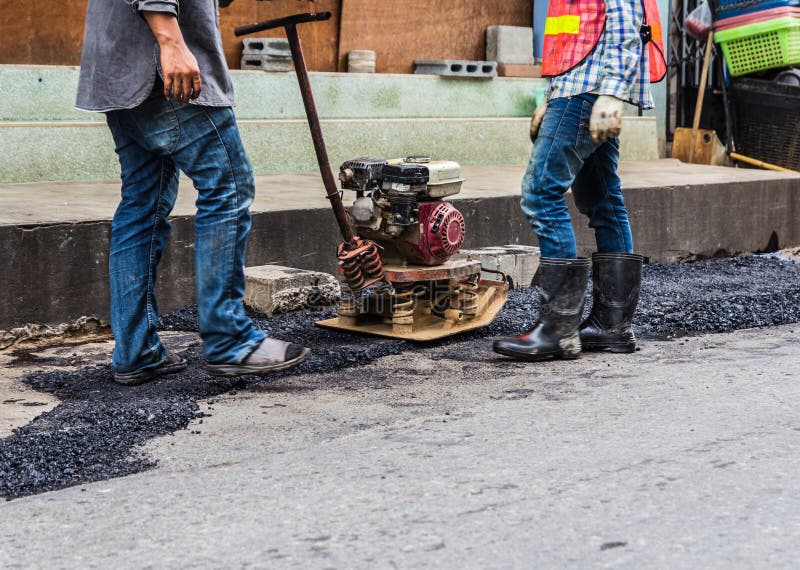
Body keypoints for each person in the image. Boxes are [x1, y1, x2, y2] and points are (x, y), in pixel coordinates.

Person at [76, 0, 310, 385]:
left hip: (121, 66)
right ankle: (230, 339)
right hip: (159, 65)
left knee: (143, 204)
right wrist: (169, 39)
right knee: (228, 186)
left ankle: (136, 351)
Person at [493, 0, 666, 361]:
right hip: (579, 87)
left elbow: (623, 19)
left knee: (541, 192)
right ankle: (611, 327)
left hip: (587, 92)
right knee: (602, 199)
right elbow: (577, 34)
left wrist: (613, 92)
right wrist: (550, 96)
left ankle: (558, 330)